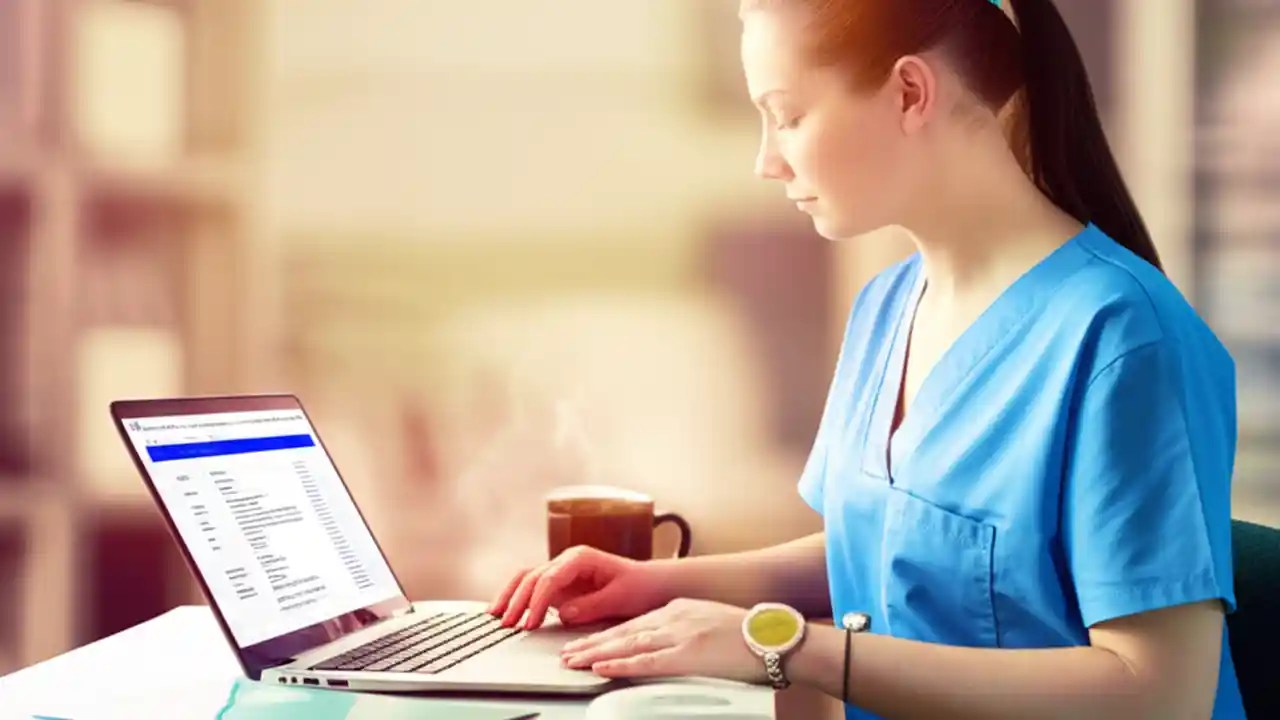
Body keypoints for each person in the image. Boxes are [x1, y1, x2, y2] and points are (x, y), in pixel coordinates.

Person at [488, 0, 1246, 717]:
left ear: (911, 92)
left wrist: (783, 647)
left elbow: (1158, 695)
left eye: (785, 116)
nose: (767, 161)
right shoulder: (889, 306)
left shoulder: (1124, 340)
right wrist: (656, 586)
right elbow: (889, 547)